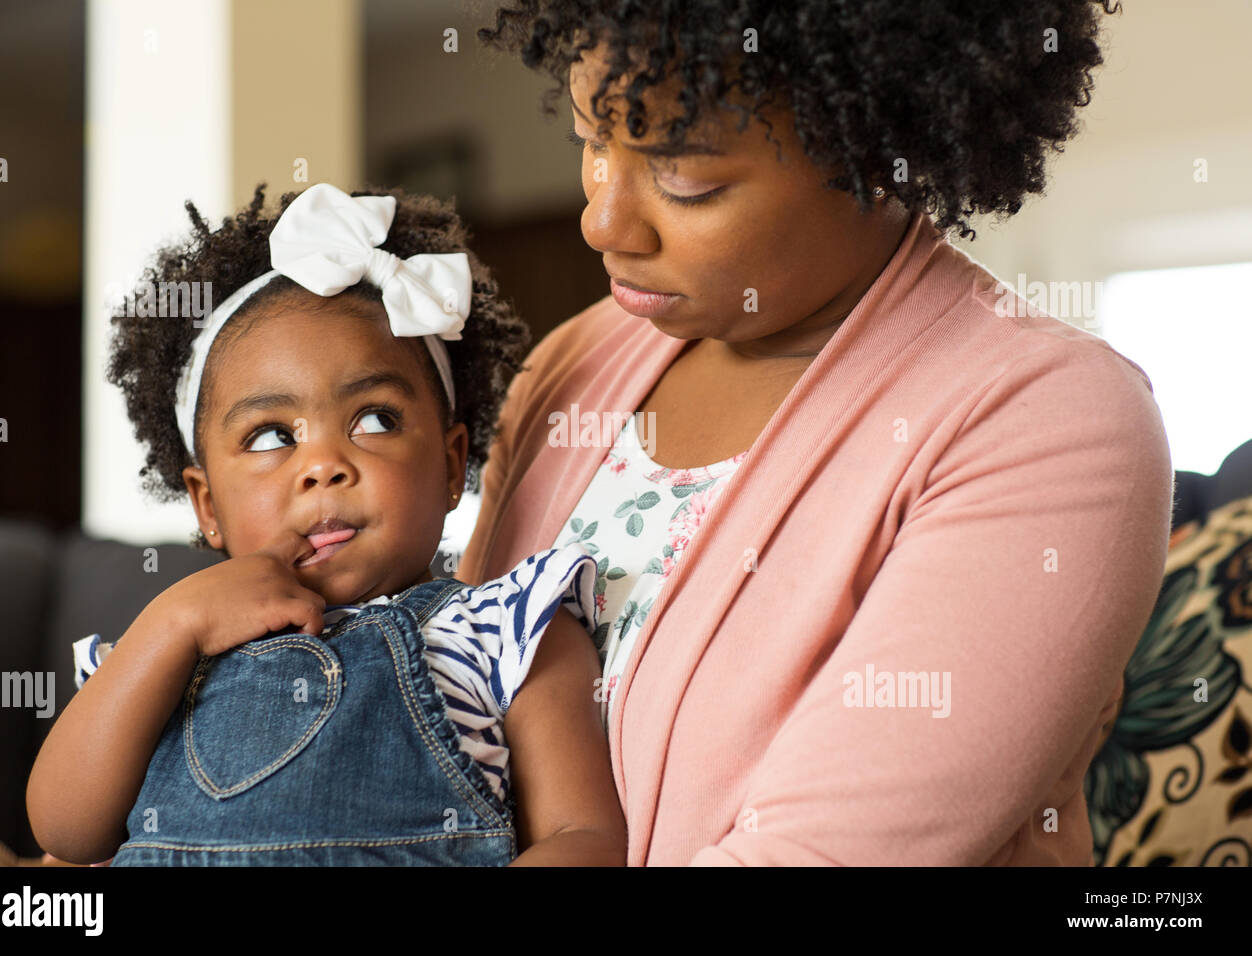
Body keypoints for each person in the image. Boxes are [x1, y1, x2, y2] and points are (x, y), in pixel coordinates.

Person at [457, 1, 1173, 864]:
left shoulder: (1052, 422)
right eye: (590, 144)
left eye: (685, 179)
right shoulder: (570, 365)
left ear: (876, 150)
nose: (603, 223)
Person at [24, 182, 626, 866]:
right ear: (207, 505)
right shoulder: (167, 648)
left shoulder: (506, 628)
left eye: (375, 420)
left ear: (451, 464)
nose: (323, 465)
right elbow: (67, 832)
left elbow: (583, 838)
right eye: (272, 434)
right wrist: (172, 625)